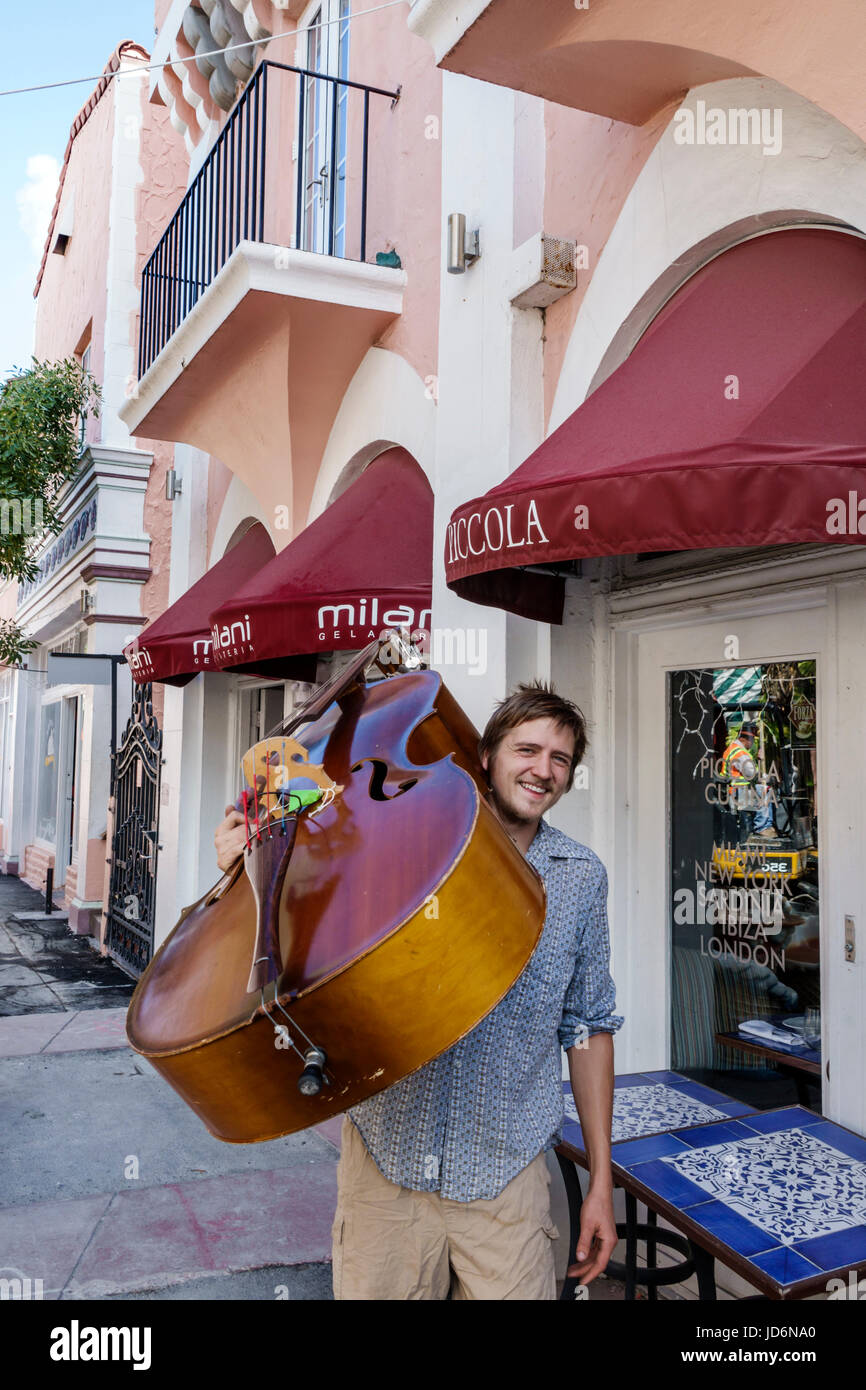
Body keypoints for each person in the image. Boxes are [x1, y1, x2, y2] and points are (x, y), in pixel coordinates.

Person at [214, 679, 623, 1300]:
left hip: (506, 1179)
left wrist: (599, 1183)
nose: (543, 770)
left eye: (559, 759)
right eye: (527, 750)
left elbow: (588, 1027)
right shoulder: (401, 842)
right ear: (486, 756)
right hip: (387, 1168)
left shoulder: (580, 879)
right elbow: (300, 934)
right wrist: (249, 866)